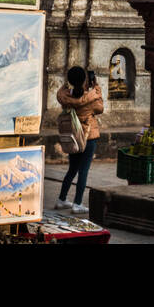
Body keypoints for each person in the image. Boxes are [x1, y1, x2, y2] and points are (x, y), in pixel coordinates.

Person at [55, 66, 103, 215]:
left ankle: (62, 199)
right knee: (83, 171)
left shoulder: (65, 98)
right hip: (88, 138)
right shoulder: (92, 99)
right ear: (85, 81)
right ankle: (78, 203)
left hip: (72, 137)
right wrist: (96, 86)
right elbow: (100, 108)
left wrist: (68, 83)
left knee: (72, 169)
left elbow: (61, 93)